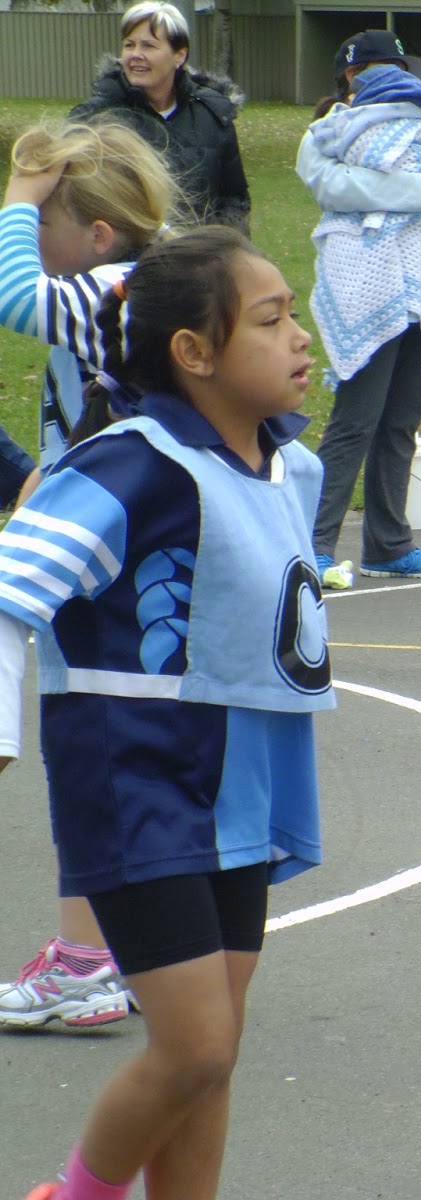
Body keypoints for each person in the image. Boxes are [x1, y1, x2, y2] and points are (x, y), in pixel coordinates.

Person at [8, 223, 332, 1200]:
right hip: (139, 773)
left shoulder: (289, 469)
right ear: (193, 352)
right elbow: (10, 593)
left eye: (294, 314)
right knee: (193, 1047)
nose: (301, 336)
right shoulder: (130, 466)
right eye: (271, 320)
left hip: (243, 780)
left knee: (215, 1051)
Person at [0, 119, 177, 1032]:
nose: (31, 236)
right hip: (135, 545)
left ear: (98, 235)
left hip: (108, 557)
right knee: (128, 750)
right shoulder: (146, 286)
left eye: (46, 223)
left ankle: (82, 963)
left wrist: (19, 195)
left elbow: (11, 293)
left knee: (90, 749)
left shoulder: (112, 291)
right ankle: (142, 952)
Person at [299, 30, 421, 589]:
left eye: (402, 68)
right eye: (383, 68)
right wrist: (419, 190)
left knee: (401, 421)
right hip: (372, 286)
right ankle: (312, 544)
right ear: (350, 75)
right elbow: (330, 186)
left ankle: (388, 544)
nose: (396, 77)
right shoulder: (331, 128)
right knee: (355, 420)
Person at [68, 2, 249, 232]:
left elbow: (234, 199)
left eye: (148, 46)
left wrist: (218, 246)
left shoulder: (212, 115)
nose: (136, 55)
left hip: (198, 251)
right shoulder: (94, 118)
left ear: (179, 56)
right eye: (129, 45)